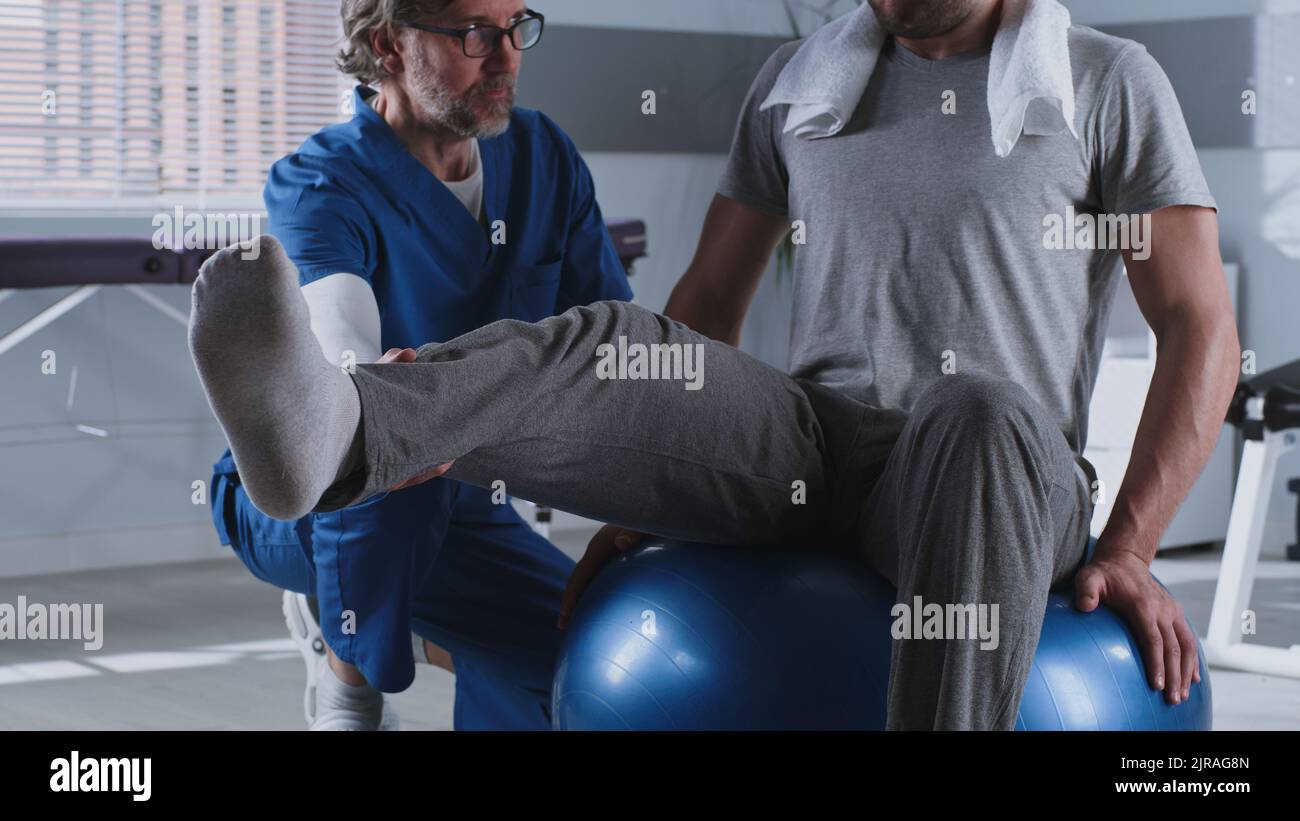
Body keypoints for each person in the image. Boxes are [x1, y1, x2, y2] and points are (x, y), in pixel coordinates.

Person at [195, 0, 1239, 730]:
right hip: (819, 446)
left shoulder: (1105, 82)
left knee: (971, 407)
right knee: (615, 337)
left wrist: (1133, 543)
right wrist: (644, 484)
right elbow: (706, 306)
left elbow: (1201, 326)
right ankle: (343, 431)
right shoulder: (802, 80)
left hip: (998, 459)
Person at [207, 0, 632, 730]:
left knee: (577, 670)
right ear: (388, 45)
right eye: (473, 34)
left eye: (514, 27)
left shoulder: (542, 157)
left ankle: (376, 613)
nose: (505, 58)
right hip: (314, 498)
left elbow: (616, 346)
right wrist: (367, 376)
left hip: (464, 504)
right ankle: (348, 675)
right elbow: (338, 330)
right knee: (387, 420)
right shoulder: (321, 181)